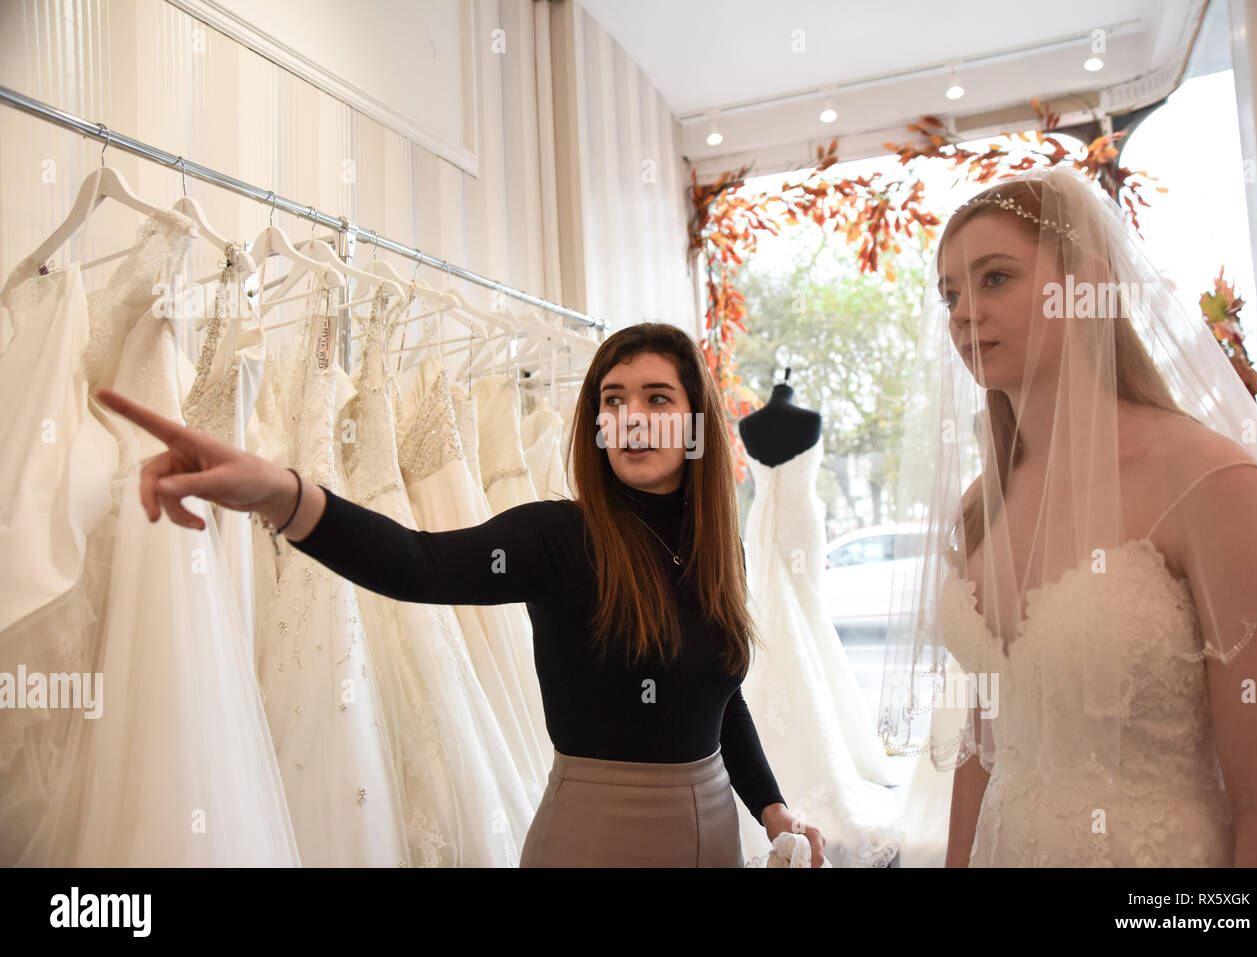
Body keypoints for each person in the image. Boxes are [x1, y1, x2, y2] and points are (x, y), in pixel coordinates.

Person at [97, 320, 827, 867]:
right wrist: (281, 494)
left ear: (695, 422)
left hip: (716, 837)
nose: (631, 415)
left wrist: (772, 809)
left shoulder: (712, 550)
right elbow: (418, 562)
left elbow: (719, 697)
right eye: (613, 399)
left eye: (657, 397)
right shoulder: (558, 537)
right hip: (598, 837)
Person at [878, 165, 1257, 866]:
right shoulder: (983, 507)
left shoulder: (1211, 481)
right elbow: (985, 749)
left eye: (996, 278)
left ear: (1089, 284)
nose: (961, 312)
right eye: (950, 292)